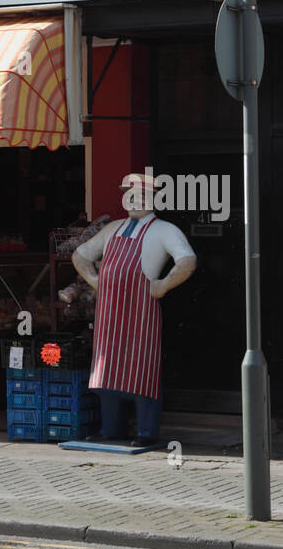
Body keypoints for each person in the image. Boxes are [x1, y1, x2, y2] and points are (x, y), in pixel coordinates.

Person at [72, 172, 197, 446]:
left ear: (154, 199)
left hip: (141, 314)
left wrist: (163, 284)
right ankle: (111, 429)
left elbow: (187, 260)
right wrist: (94, 280)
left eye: (142, 195)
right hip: (108, 316)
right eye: (131, 194)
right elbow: (80, 255)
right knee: (107, 372)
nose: (135, 200)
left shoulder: (164, 230)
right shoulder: (112, 228)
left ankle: (146, 432)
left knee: (143, 372)